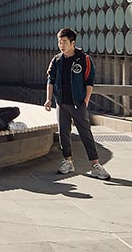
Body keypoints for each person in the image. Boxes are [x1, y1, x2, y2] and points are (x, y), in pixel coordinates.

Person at [45, 28, 110, 179]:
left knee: (85, 133)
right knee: (64, 133)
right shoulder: (57, 60)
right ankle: (67, 161)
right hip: (61, 103)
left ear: (72, 43)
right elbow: (51, 80)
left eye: (64, 42)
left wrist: (86, 101)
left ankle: (95, 165)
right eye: (59, 42)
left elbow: (89, 81)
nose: (61, 45)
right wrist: (49, 99)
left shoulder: (84, 59)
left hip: (78, 104)